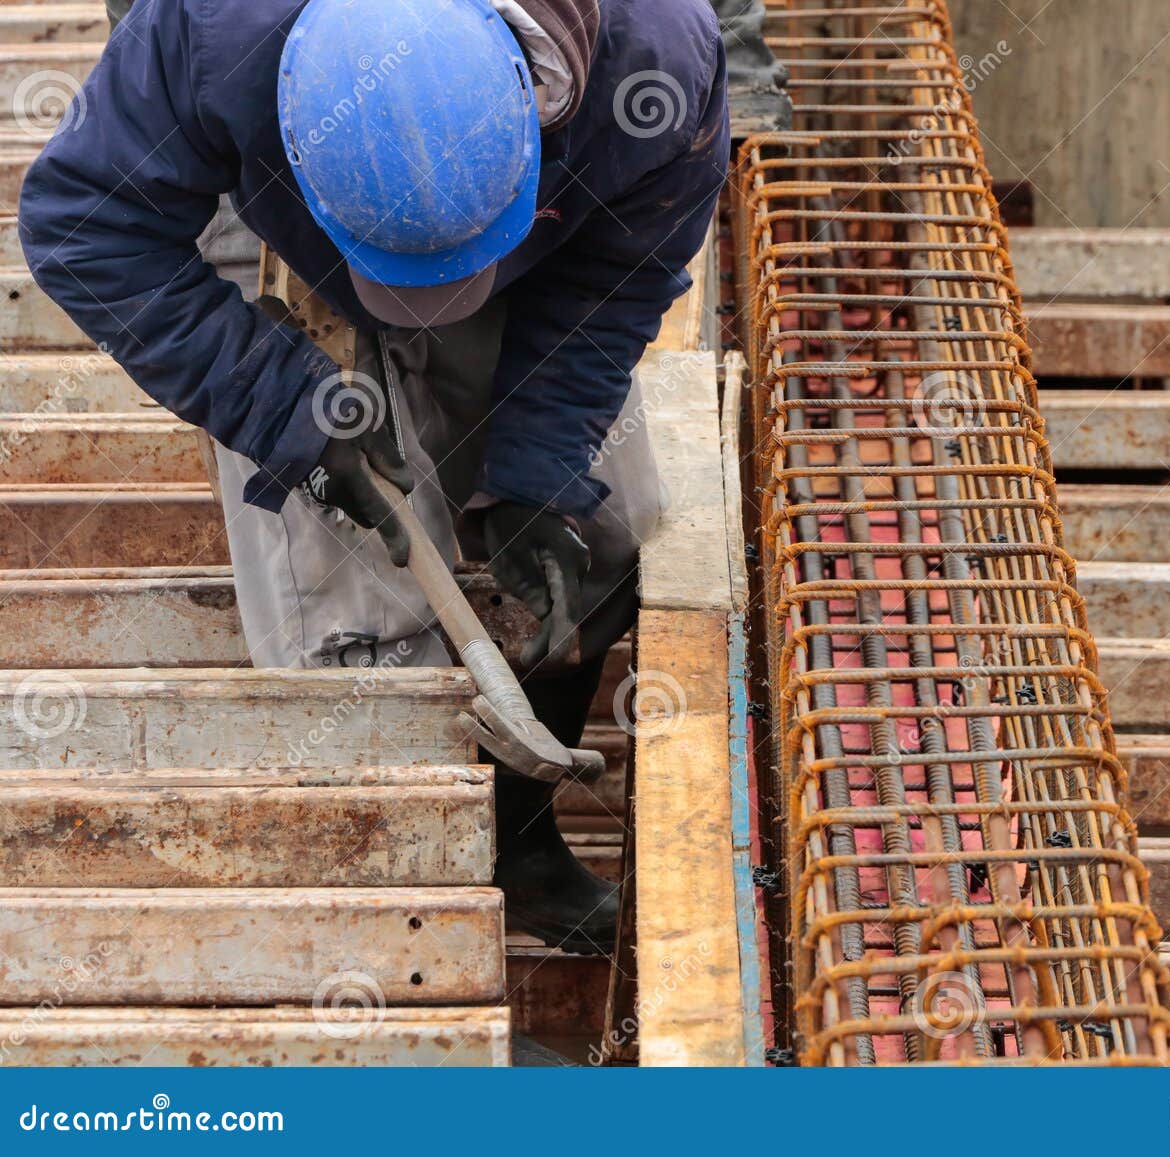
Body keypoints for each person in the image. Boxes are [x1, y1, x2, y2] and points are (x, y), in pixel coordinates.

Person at [18, 0, 730, 954]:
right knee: (355, 614)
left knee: (605, 523)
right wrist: (291, 416)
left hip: (525, 215)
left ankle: (514, 842)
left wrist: (536, 474)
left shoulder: (659, 65)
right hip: (256, 183)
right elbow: (84, 225)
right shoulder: (213, 38)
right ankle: (404, 938)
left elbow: (622, 270)